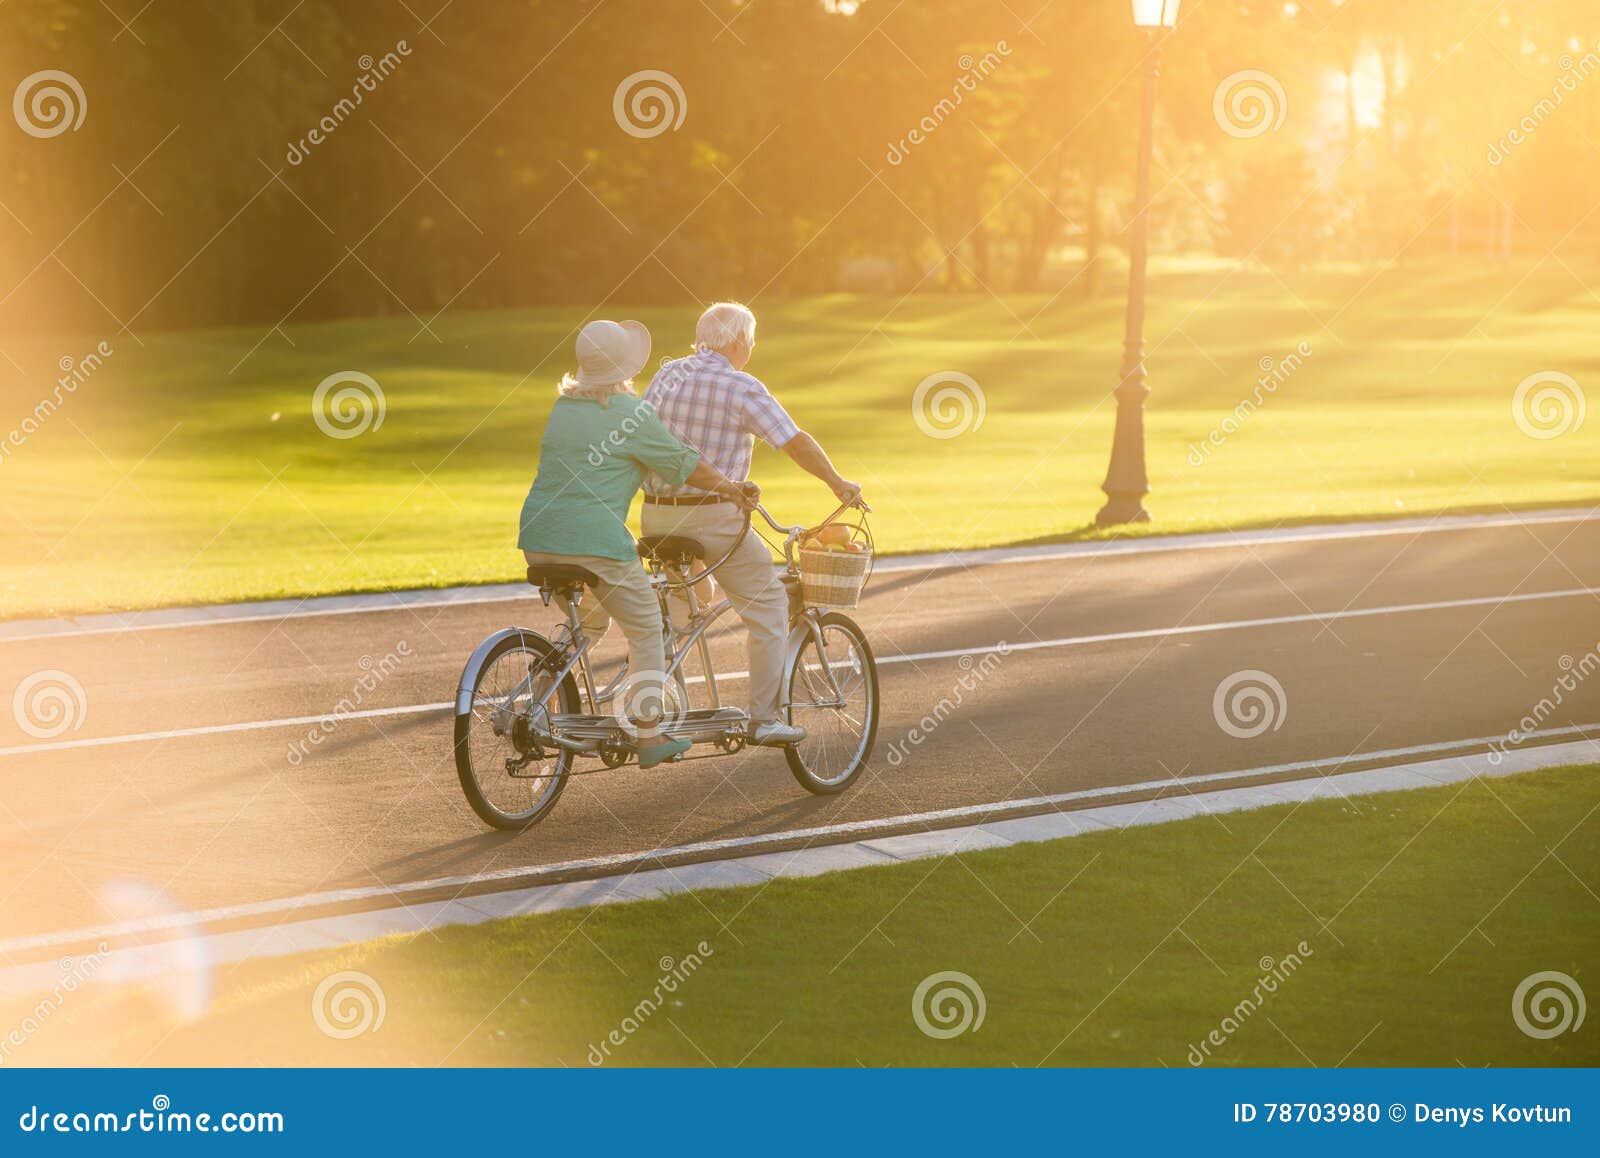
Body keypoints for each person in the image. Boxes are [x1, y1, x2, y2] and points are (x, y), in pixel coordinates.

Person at [519, 319, 757, 769]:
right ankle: (648, 735)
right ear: (625, 366)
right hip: (595, 543)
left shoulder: (563, 407)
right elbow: (682, 463)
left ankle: (536, 704)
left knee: (586, 628)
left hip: (539, 536)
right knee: (647, 625)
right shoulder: (630, 412)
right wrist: (730, 488)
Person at [642, 302, 862, 747]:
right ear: (740, 341)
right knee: (768, 609)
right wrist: (838, 483)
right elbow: (793, 440)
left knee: (686, 608)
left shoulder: (668, 375)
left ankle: (662, 695)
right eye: (752, 340)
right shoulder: (740, 385)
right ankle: (763, 719)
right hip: (712, 517)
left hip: (655, 514)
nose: (752, 348)